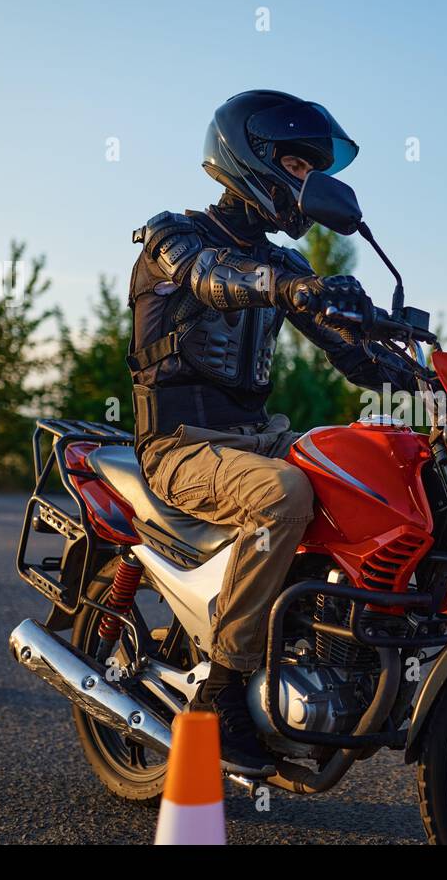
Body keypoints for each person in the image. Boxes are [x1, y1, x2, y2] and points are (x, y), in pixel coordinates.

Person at [127, 90, 416, 774]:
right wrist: (283, 287)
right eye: (295, 163)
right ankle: (222, 693)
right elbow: (212, 278)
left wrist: (424, 379)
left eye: (315, 172)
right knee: (284, 494)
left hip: (258, 438)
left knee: (375, 470)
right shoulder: (174, 237)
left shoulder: (288, 268)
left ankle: (345, 655)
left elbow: (353, 355)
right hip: (179, 446)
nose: (307, 184)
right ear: (248, 158)